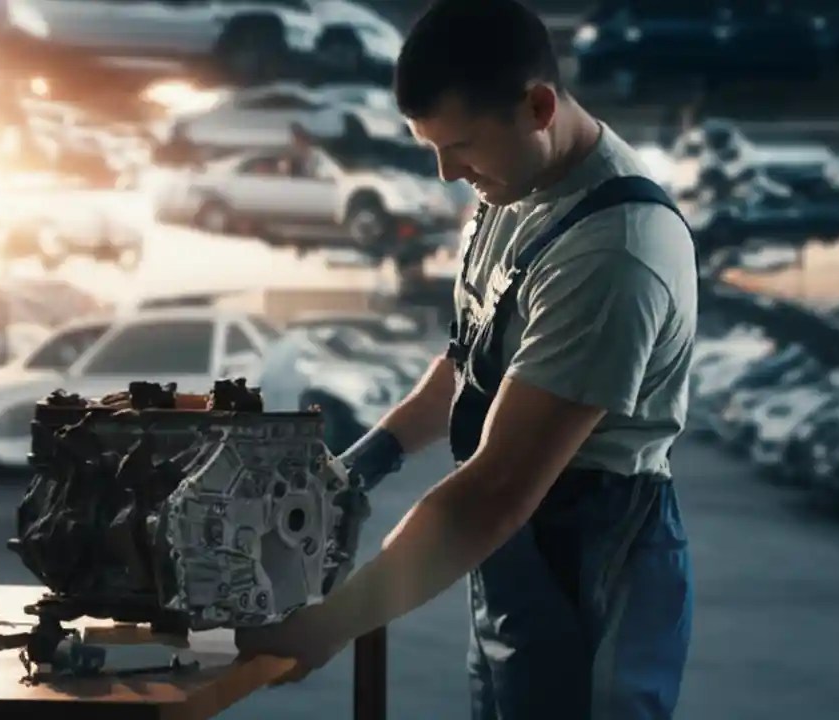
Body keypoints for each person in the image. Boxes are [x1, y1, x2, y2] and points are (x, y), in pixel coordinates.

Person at [236, 1, 698, 718]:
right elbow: (475, 360)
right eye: (432, 148)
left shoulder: (616, 252)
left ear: (538, 106)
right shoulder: (512, 185)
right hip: (521, 563)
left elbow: (496, 491)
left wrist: (328, 625)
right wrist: (361, 465)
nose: (448, 174)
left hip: (599, 567)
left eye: (462, 147)